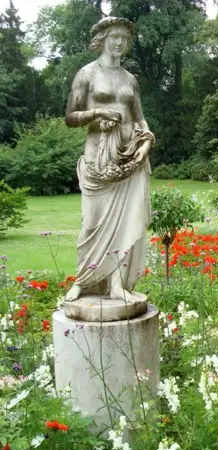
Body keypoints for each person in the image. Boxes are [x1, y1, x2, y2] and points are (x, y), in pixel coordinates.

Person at [64, 17, 153, 304]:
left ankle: (117, 286)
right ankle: (84, 280)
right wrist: (97, 114)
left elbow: (139, 119)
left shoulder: (130, 80)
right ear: (101, 39)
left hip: (129, 157)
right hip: (97, 160)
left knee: (126, 225)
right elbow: (70, 117)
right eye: (114, 36)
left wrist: (147, 142)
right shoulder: (86, 74)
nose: (119, 42)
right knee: (91, 224)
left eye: (124, 38)